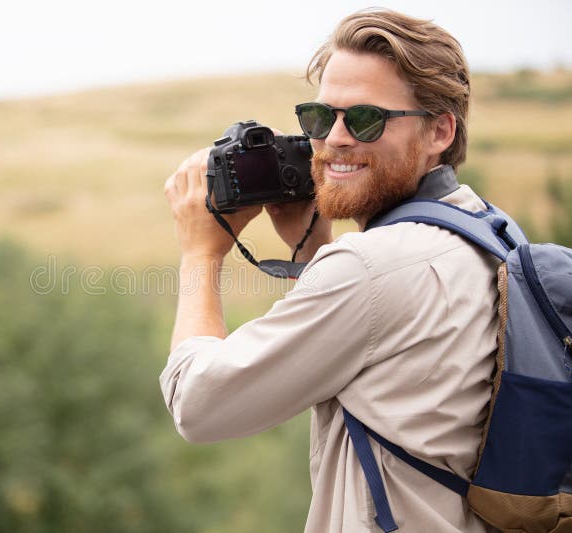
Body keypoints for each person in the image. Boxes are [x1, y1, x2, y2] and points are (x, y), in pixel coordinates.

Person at [159, 8, 498, 533]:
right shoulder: (488, 235)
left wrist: (201, 253)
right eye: (320, 117)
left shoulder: (368, 268)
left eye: (366, 119)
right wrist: (311, 250)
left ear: (439, 132)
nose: (336, 138)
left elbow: (197, 406)